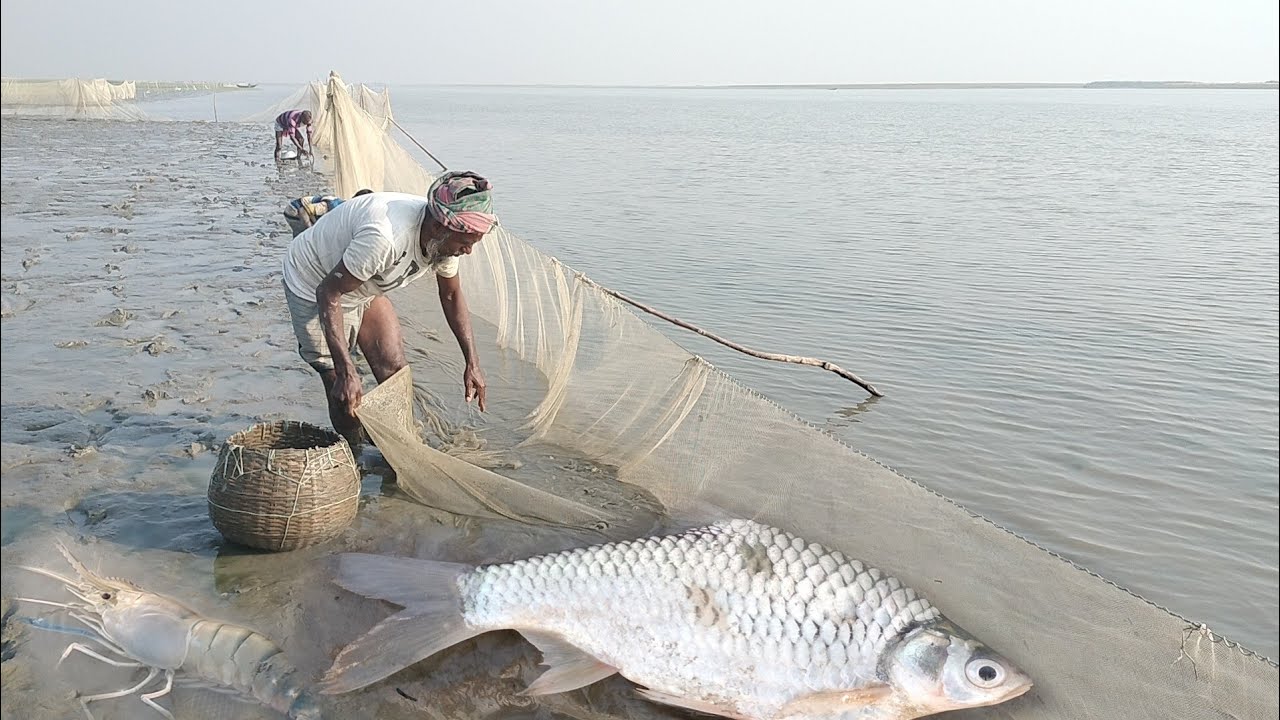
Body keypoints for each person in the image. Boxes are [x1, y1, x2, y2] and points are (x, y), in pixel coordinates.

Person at [281, 172, 498, 448]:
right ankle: (353, 452)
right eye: (466, 243)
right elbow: (328, 293)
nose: (468, 251)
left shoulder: (445, 246)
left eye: (473, 243)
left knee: (395, 371)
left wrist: (473, 363)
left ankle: (398, 449)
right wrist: (346, 369)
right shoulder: (386, 237)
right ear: (439, 227)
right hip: (313, 283)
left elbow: (451, 294)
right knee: (341, 387)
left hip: (362, 282)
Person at [283, 189, 373, 237]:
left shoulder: (347, 212)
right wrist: (310, 231)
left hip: (307, 214)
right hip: (294, 210)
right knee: (303, 241)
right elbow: (304, 210)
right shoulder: (334, 206)